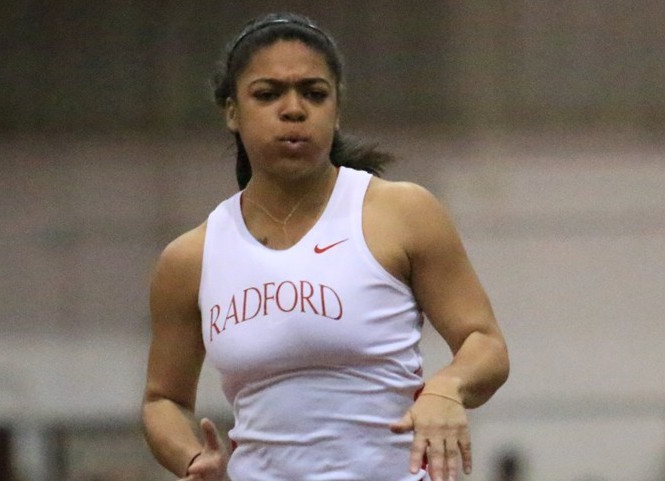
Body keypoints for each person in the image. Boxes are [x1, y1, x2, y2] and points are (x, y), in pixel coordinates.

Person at [142, 12, 509, 481]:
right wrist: (191, 458)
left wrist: (447, 387)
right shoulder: (190, 258)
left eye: (314, 94)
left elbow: (486, 343)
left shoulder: (400, 213)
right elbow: (163, 399)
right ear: (231, 111)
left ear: (336, 110)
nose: (293, 109)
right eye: (268, 93)